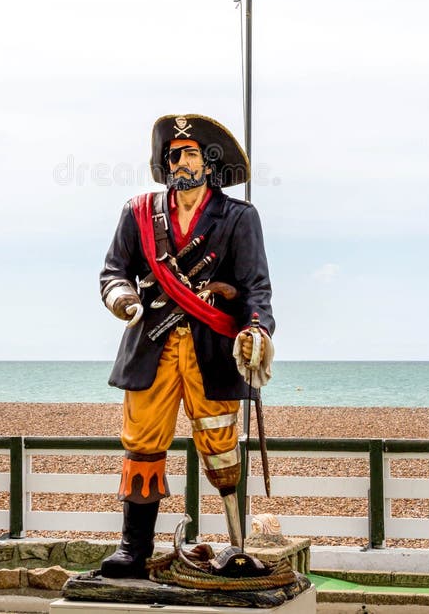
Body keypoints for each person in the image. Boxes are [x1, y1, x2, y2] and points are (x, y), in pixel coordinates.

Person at [99, 114, 274, 578]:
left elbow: (256, 287)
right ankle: (132, 548)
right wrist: (123, 299)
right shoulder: (138, 212)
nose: (180, 161)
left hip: (212, 348)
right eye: (173, 155)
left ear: (209, 162)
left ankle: (237, 546)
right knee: (141, 445)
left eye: (190, 153)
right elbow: (113, 271)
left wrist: (257, 329)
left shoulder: (238, 217)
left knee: (221, 446)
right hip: (151, 345)